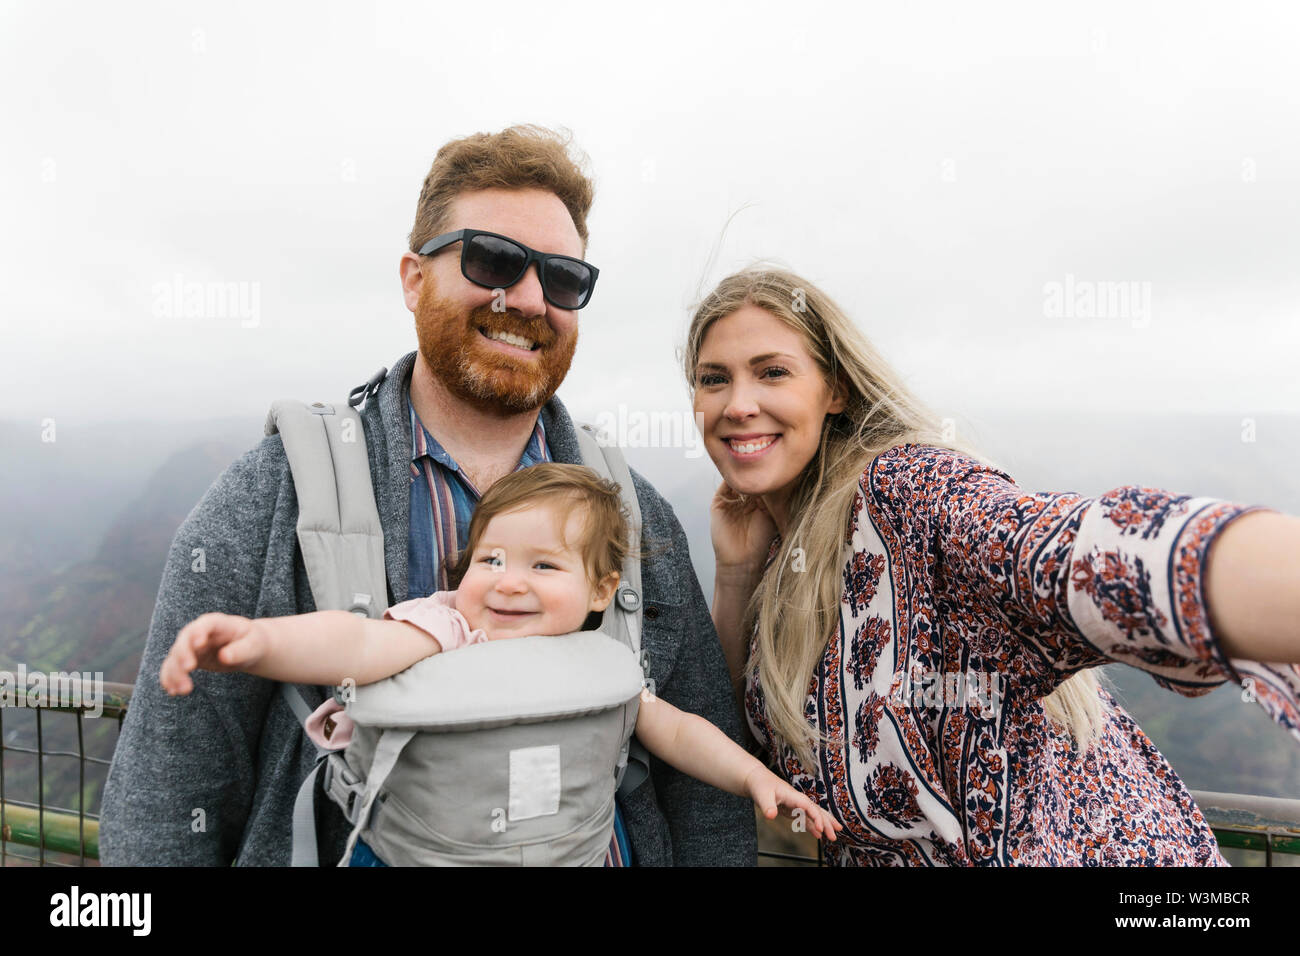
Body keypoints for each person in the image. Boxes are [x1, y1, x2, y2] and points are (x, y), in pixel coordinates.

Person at [99, 125, 758, 866]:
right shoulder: (275, 493)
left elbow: (704, 802)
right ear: (414, 279)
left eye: (564, 278)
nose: (533, 299)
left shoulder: (636, 517)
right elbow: (169, 796)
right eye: (495, 260)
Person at [689, 266, 1300, 866]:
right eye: (714, 379)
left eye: (772, 372)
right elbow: (739, 745)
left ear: (837, 389)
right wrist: (737, 570)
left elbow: (1068, 550)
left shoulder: (904, 490)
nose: (739, 404)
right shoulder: (780, 557)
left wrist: (1246, 571)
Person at [158, 464, 841, 865]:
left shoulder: (600, 663)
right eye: (491, 559)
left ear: (603, 590)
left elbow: (680, 732)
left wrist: (755, 777)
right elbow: (358, 644)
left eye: (544, 565)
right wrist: (260, 641)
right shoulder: (452, 628)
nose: (509, 582)